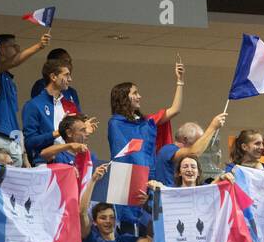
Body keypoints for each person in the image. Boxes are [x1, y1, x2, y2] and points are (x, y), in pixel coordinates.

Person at [107, 62, 183, 232]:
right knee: (129, 233)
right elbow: (125, 156)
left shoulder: (146, 123)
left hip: (148, 182)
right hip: (127, 185)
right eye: (135, 93)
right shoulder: (115, 123)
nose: (140, 96)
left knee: (149, 232)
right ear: (124, 97)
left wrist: (180, 81)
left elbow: (175, 110)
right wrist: (137, 184)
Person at [0, 30, 51, 167]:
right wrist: (39, 46)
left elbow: (13, 117)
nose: (17, 49)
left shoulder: (10, 80)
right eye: (13, 46)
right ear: (1, 50)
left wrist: (24, 154)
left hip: (13, 137)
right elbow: (14, 62)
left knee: (15, 180)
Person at [23, 57, 99, 167]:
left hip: (71, 162)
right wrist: (59, 132)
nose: (70, 79)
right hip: (45, 164)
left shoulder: (70, 105)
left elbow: (72, 138)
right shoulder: (33, 105)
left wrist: (82, 130)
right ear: (53, 77)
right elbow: (30, 143)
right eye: (66, 75)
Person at [152, 114, 227, 186]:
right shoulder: (168, 150)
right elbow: (193, 152)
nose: (201, 146)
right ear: (185, 139)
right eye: (199, 142)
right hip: (168, 197)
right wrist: (213, 127)